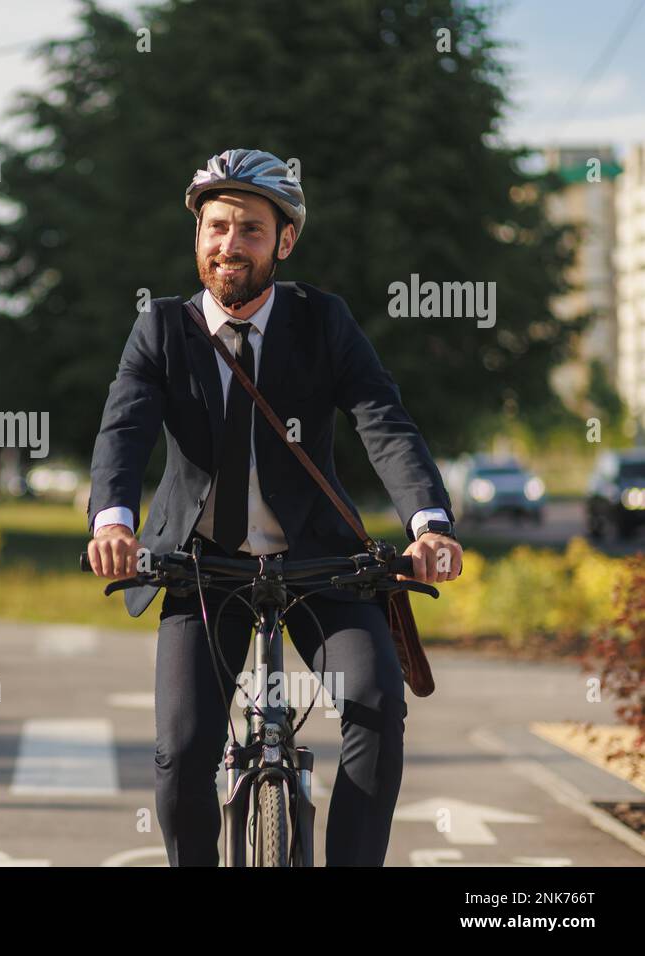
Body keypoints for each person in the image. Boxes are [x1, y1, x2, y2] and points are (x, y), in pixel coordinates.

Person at [85, 148, 463, 867]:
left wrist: (429, 523)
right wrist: (113, 521)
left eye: (250, 230)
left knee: (375, 710)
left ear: (284, 241)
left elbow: (382, 420)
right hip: (202, 567)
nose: (229, 245)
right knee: (182, 750)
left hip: (320, 562)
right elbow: (123, 430)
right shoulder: (161, 329)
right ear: (197, 236)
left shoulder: (322, 322)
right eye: (216, 227)